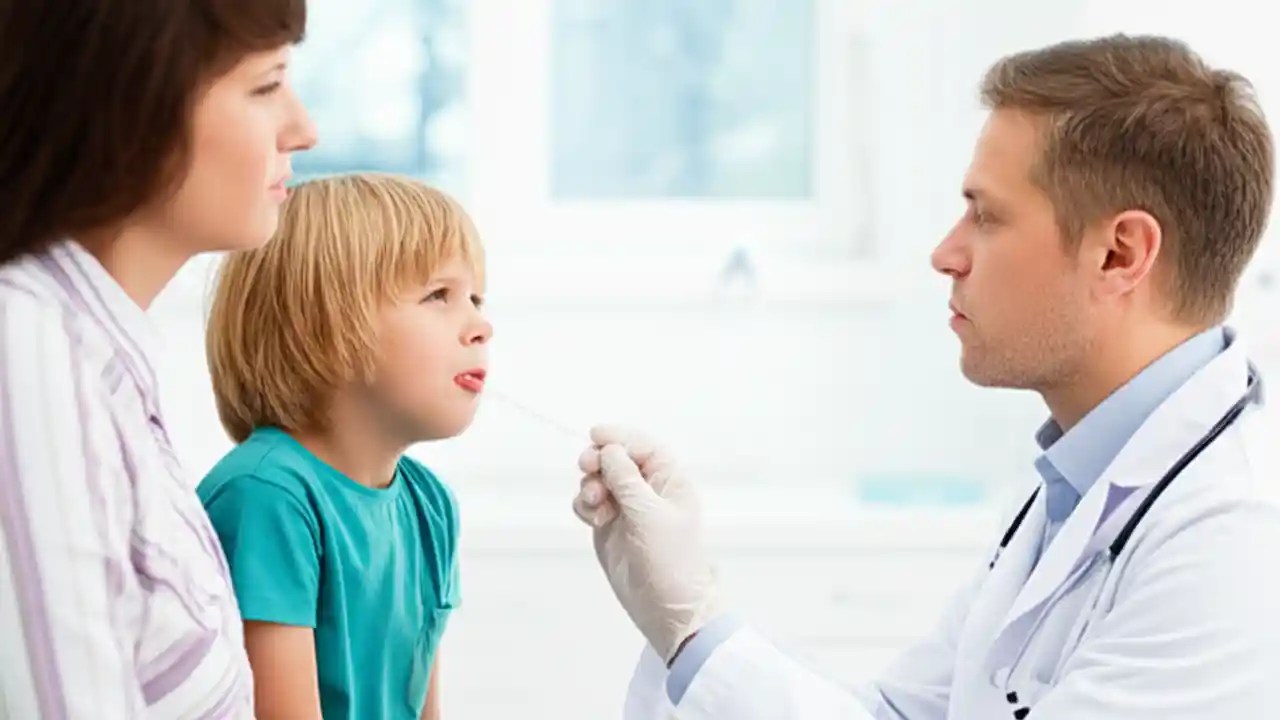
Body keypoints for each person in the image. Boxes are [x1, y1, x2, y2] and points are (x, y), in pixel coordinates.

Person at [572, 33, 1280, 719]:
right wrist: (690, 623)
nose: (946, 253)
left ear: (1120, 254)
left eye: (986, 215)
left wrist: (695, 631)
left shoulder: (1228, 546)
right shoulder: (1075, 488)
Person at [0, 1, 316, 717]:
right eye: (267, 86)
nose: (303, 128)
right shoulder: (28, 354)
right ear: (133, 101)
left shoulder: (98, 363)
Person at [198, 173, 490, 720]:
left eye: (475, 297)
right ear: (324, 327)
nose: (480, 325)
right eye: (439, 296)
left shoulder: (429, 506)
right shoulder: (267, 498)